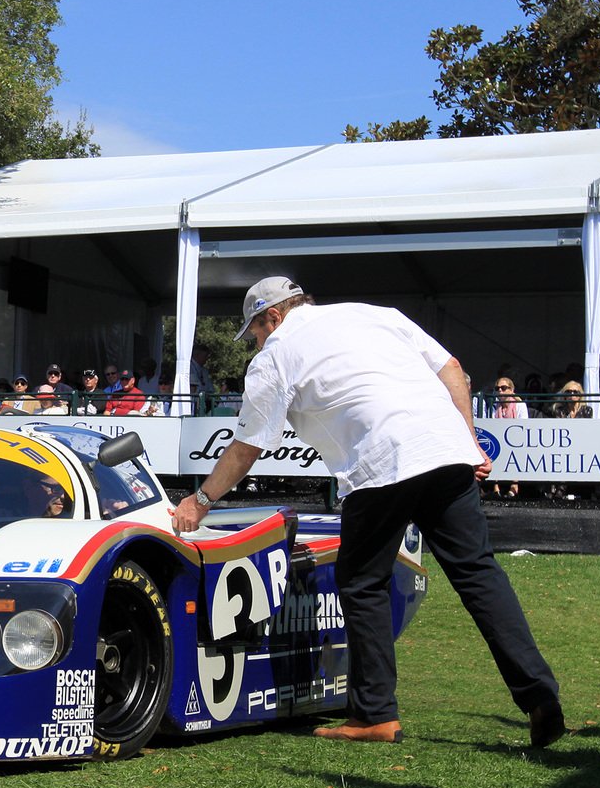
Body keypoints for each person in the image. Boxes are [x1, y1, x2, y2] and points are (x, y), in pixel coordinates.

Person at [170, 276, 563, 749]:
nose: (256, 341)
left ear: (273, 316)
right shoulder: (373, 313)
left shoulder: (276, 354)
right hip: (447, 451)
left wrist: (201, 500)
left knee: (361, 581)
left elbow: (249, 444)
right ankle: (540, 697)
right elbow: (452, 367)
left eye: (254, 331)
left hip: (382, 465)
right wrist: (470, 440)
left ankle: (376, 715)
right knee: (479, 574)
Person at [488, 376, 528, 498]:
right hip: (499, 438)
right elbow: (491, 424)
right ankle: (496, 487)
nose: (500, 391)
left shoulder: (520, 405)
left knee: (517, 452)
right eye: (497, 388)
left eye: (504, 388)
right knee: (492, 449)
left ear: (511, 390)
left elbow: (524, 424)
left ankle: (514, 486)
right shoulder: (494, 406)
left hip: (516, 439)